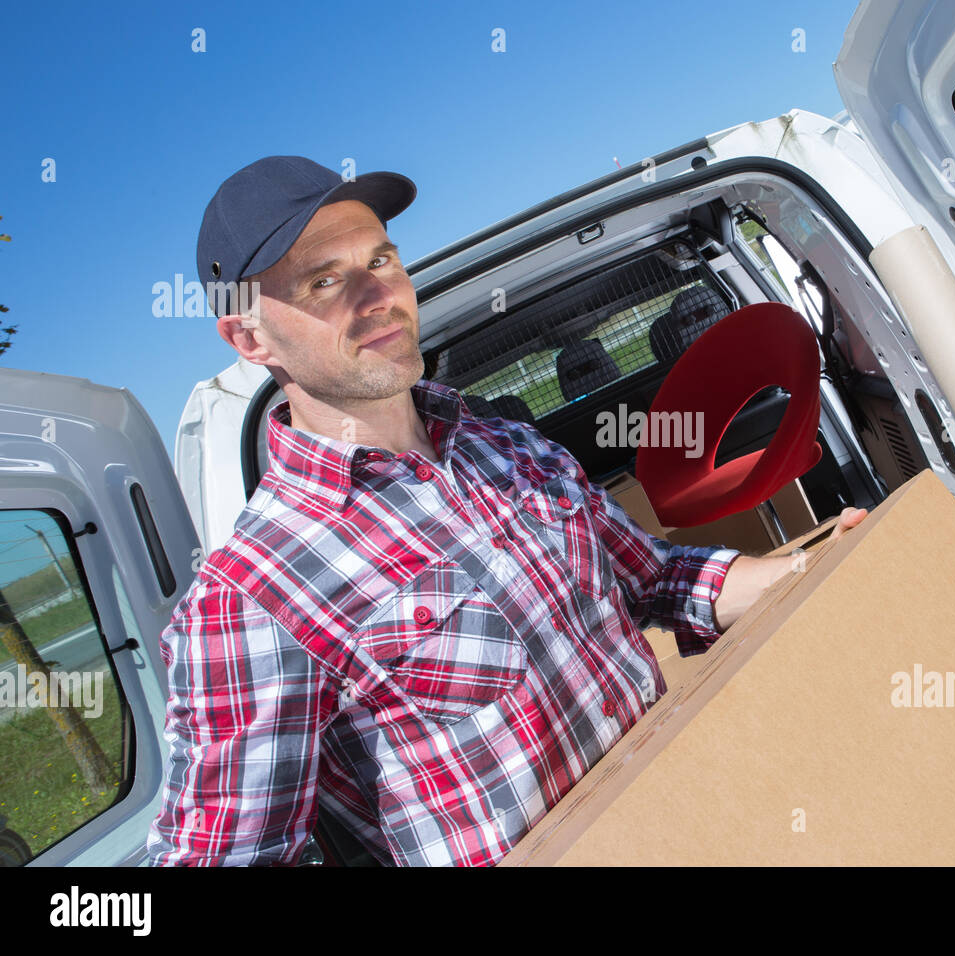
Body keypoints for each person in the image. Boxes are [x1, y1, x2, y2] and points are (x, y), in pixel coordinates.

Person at [146, 156, 867, 866]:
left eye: (383, 259)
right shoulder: (248, 597)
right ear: (249, 337)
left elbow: (656, 579)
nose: (378, 295)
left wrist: (803, 573)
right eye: (324, 280)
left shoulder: (505, 445)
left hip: (717, 815)